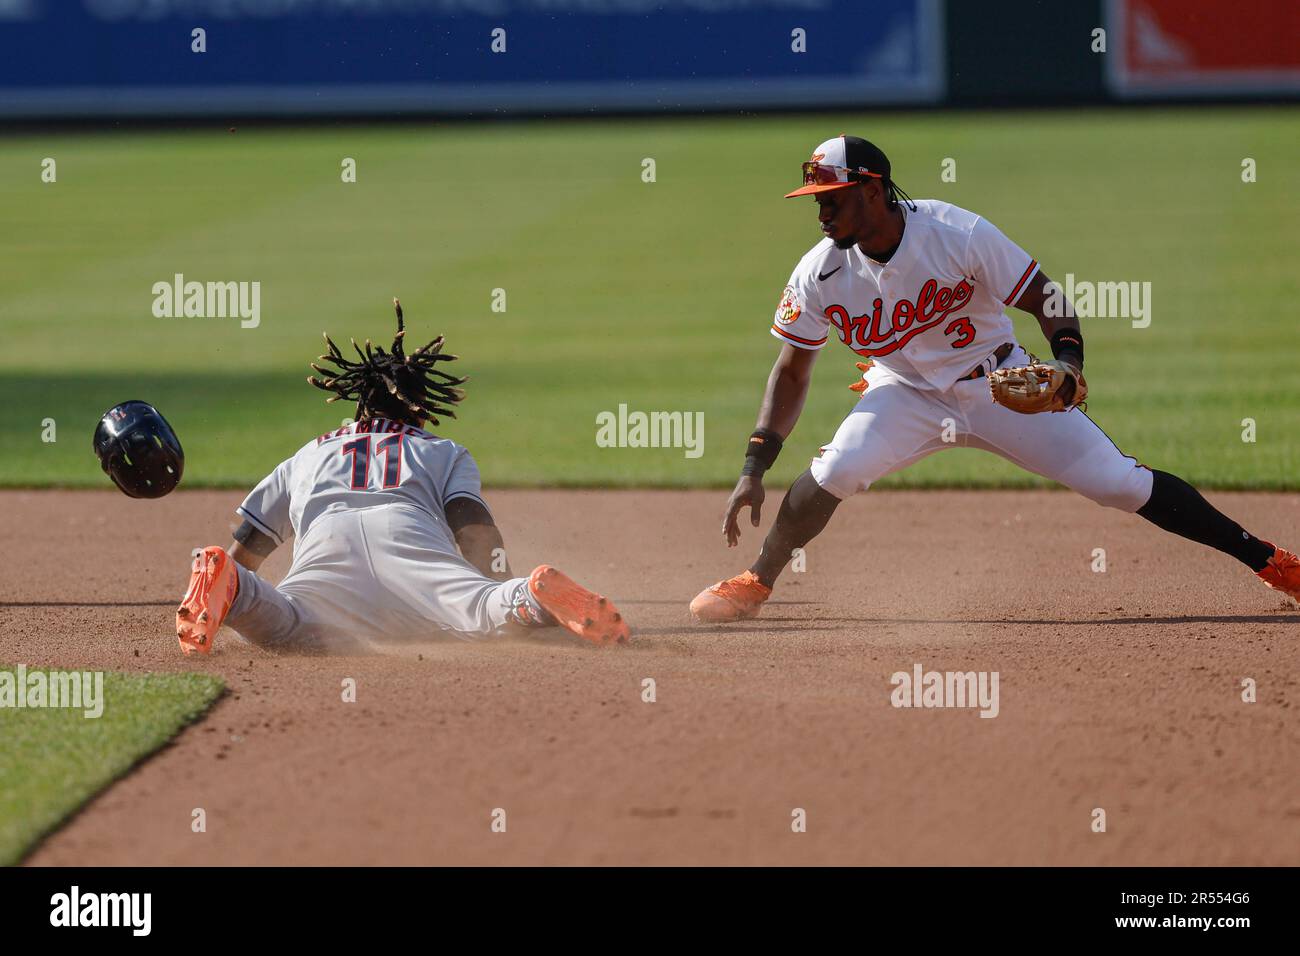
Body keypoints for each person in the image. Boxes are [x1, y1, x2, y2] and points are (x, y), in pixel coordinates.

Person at [689, 134, 1300, 621]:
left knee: (1118, 483)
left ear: (872, 190)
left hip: (999, 384)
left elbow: (1046, 298)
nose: (821, 211)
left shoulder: (954, 232)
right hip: (903, 393)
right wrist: (753, 468)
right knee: (837, 470)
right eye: (816, 199)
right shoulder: (817, 274)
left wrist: (1067, 364)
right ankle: (757, 578)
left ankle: (1270, 561)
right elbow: (792, 372)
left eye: (834, 197)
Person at [176, 299, 630, 654]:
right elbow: (475, 532)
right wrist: (494, 583)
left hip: (327, 561)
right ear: (423, 412)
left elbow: (250, 546)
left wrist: (236, 573)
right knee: (480, 610)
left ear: (358, 403)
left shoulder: (307, 455)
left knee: (287, 622)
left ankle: (234, 593)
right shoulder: (443, 451)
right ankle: (528, 598)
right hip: (412, 550)